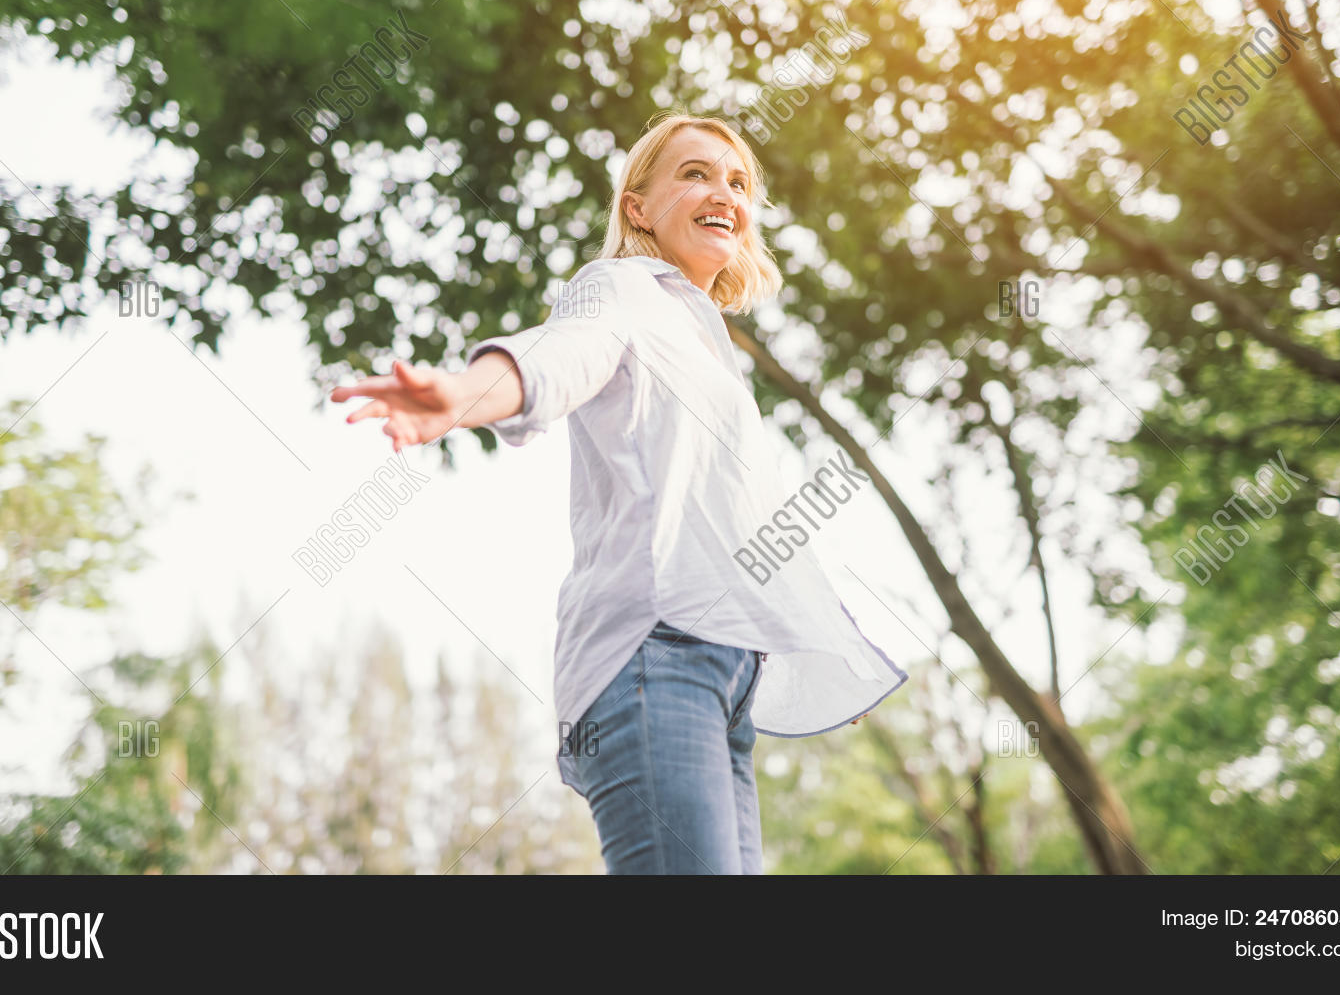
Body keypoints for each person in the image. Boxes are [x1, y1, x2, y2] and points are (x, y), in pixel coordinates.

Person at [329, 112, 909, 874]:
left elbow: (740, 519)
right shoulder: (622, 287)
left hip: (726, 679)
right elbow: (562, 352)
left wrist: (822, 641)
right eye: (694, 173)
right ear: (637, 206)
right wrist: (466, 392)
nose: (723, 193)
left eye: (738, 182)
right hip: (654, 655)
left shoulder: (708, 345)